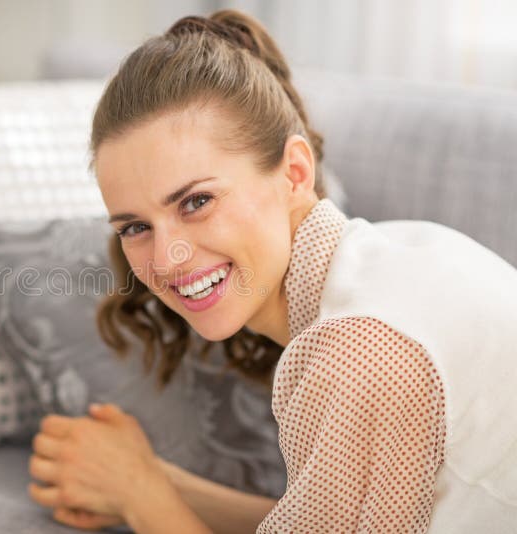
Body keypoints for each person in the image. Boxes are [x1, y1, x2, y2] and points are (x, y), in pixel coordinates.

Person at [26, 9, 517, 534]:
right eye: (135, 227)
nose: (166, 258)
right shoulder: (401, 251)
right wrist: (159, 483)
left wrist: (140, 497)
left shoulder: (359, 352)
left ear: (295, 173)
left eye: (196, 202)